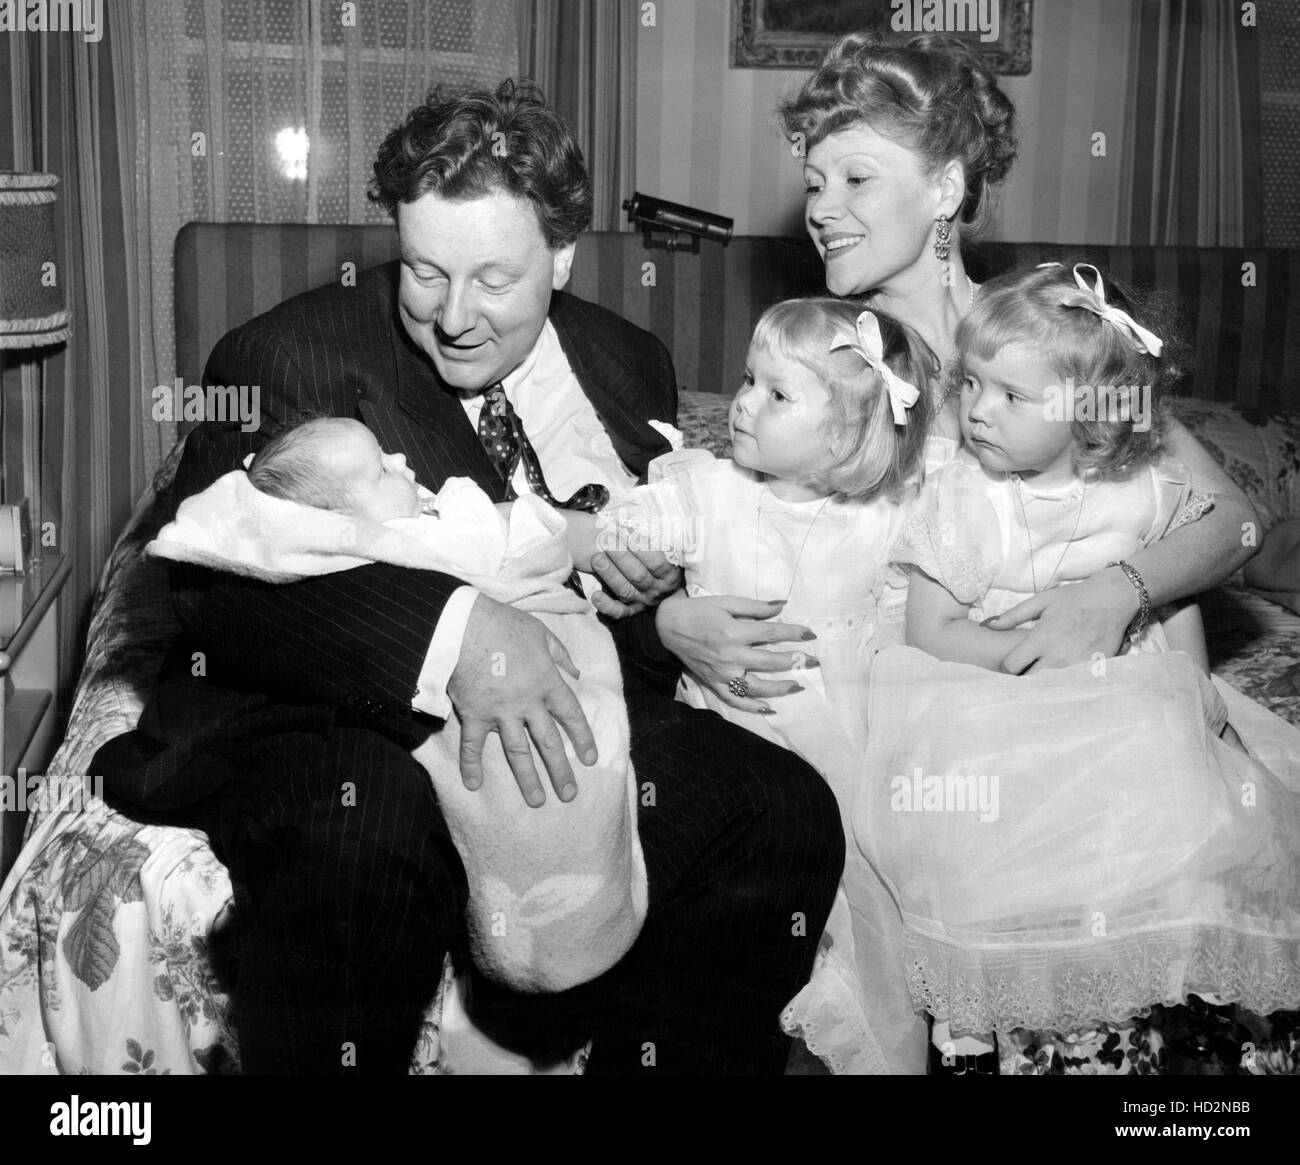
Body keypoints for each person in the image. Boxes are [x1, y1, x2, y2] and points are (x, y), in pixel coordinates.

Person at [95, 80, 843, 1074]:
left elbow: (618, 568)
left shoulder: (629, 364)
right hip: (337, 708)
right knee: (365, 833)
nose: (452, 317)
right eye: (423, 273)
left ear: (563, 258)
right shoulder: (283, 355)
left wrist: (654, 623)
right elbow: (212, 590)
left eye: (494, 279)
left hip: (564, 690)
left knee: (778, 805)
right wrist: (460, 635)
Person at [653, 29, 1263, 1072]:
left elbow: (1235, 518)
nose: (821, 206)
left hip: (1074, 724)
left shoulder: (1046, 340)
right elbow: (744, 531)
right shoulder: (821, 365)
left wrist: (1114, 592)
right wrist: (670, 617)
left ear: (945, 185)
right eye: (813, 179)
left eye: (856, 176)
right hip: (897, 725)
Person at [856, 259, 1300, 1067]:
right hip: (988, 690)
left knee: (1180, 792)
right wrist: (1032, 666)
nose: (979, 411)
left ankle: (1155, 991)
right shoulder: (965, 496)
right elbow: (931, 629)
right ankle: (1013, 1007)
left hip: (1118, 687)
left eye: (1011, 396)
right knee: (986, 819)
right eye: (971, 385)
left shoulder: (1140, 487)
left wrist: (1192, 696)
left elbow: (1174, 596)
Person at [563, 296, 941, 1075]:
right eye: (745, 379)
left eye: (776, 393)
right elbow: (628, 532)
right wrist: (594, 536)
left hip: (847, 744)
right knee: (720, 905)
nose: (741, 402)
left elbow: (916, 631)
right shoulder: (711, 490)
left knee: (867, 913)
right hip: (725, 731)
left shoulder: (886, 520)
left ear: (846, 433)